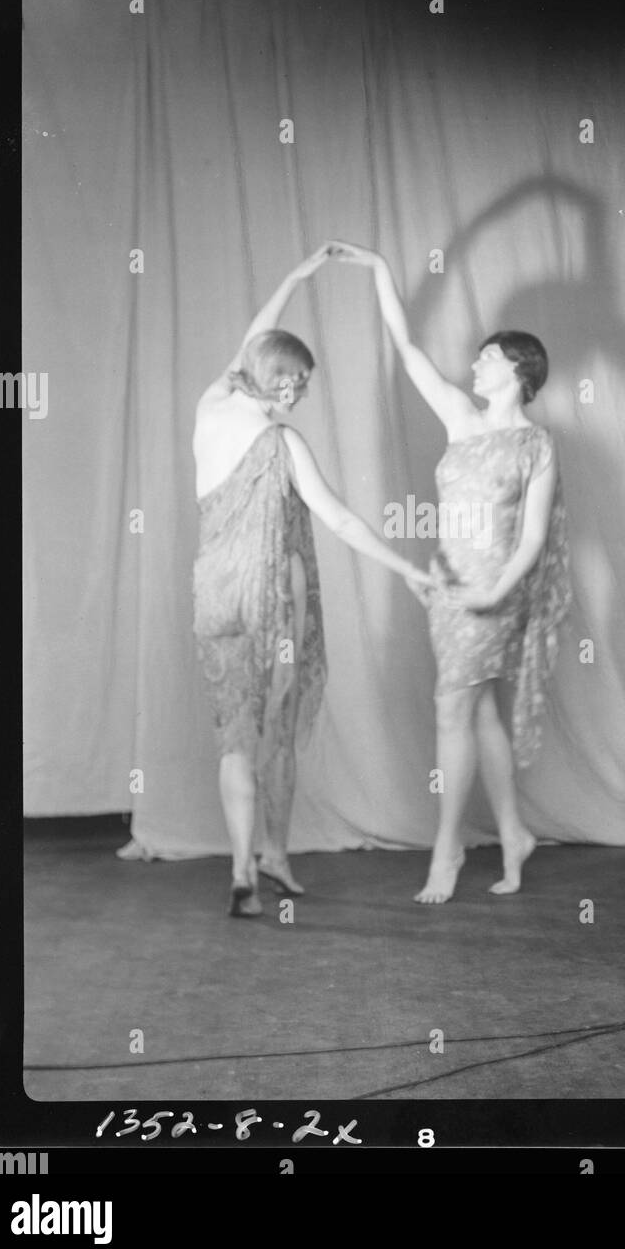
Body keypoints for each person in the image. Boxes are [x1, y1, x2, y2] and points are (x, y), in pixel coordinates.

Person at [192, 245, 432, 916]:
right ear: (278, 381)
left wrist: (295, 276)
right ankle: (272, 853)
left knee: (236, 733)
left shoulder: (212, 407)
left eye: (300, 385)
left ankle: (249, 866)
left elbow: (249, 345)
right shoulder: (284, 444)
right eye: (294, 383)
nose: (297, 394)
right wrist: (409, 568)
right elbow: (345, 523)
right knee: (280, 716)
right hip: (277, 599)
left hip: (214, 592)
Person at [328, 241, 571, 903]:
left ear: (518, 368)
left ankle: (448, 849)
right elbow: (407, 349)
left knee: (450, 708)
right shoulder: (458, 419)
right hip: (446, 582)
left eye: (486, 357)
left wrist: (496, 588)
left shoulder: (535, 443)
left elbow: (534, 535)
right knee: (479, 710)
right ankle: (514, 834)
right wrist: (380, 267)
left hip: (492, 589)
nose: (472, 363)